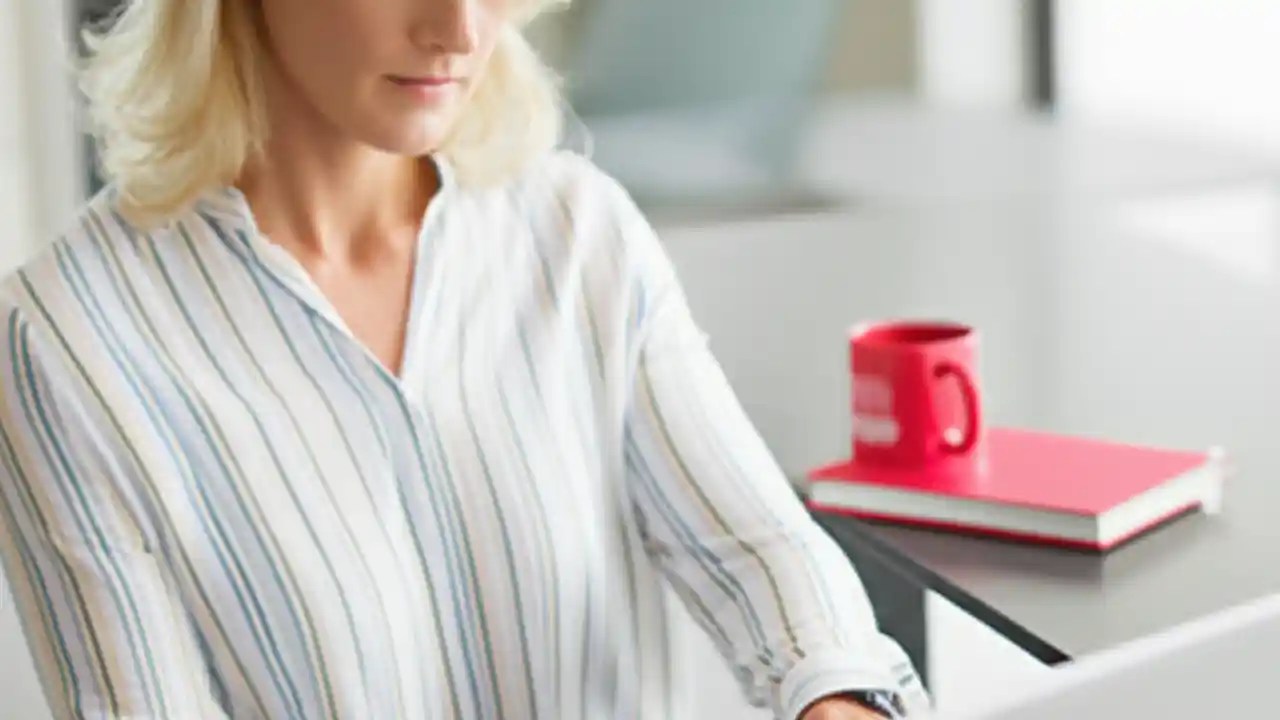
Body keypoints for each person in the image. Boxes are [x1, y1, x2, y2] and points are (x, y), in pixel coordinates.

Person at [0, 1, 928, 718]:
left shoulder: (577, 235)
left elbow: (759, 551)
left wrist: (835, 696)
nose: (456, 30)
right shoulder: (68, 341)